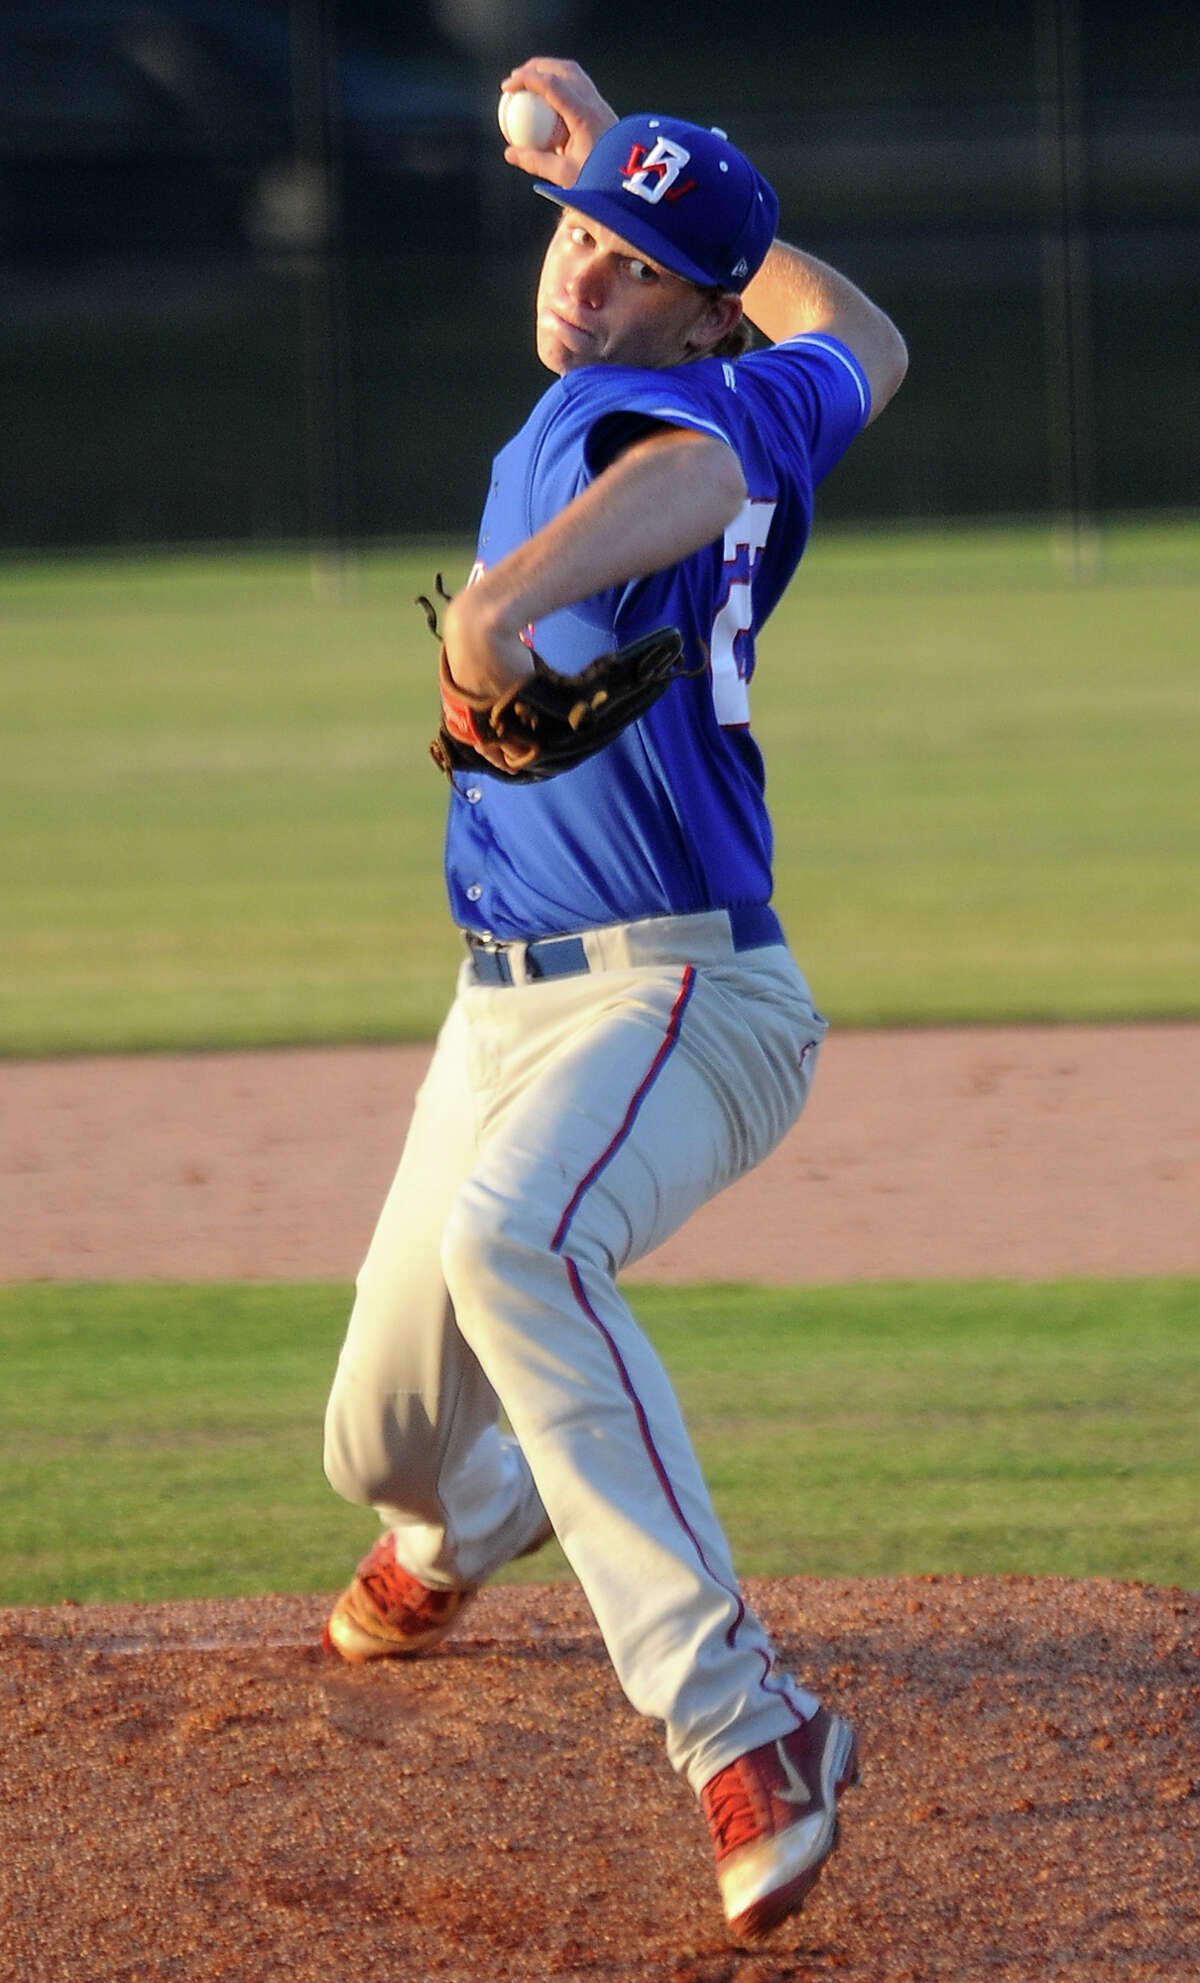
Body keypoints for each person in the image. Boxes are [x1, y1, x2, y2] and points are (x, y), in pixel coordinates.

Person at [321, 56, 907, 1943]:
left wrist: (495, 614)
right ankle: (474, 1517)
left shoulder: (647, 417)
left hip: (683, 994)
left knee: (520, 1247)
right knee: (379, 1447)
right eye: (578, 238)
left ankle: (746, 1722)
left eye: (635, 261)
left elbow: (692, 469)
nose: (585, 275)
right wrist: (637, 178)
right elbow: (868, 339)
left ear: (693, 319)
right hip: (505, 1009)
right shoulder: (776, 375)